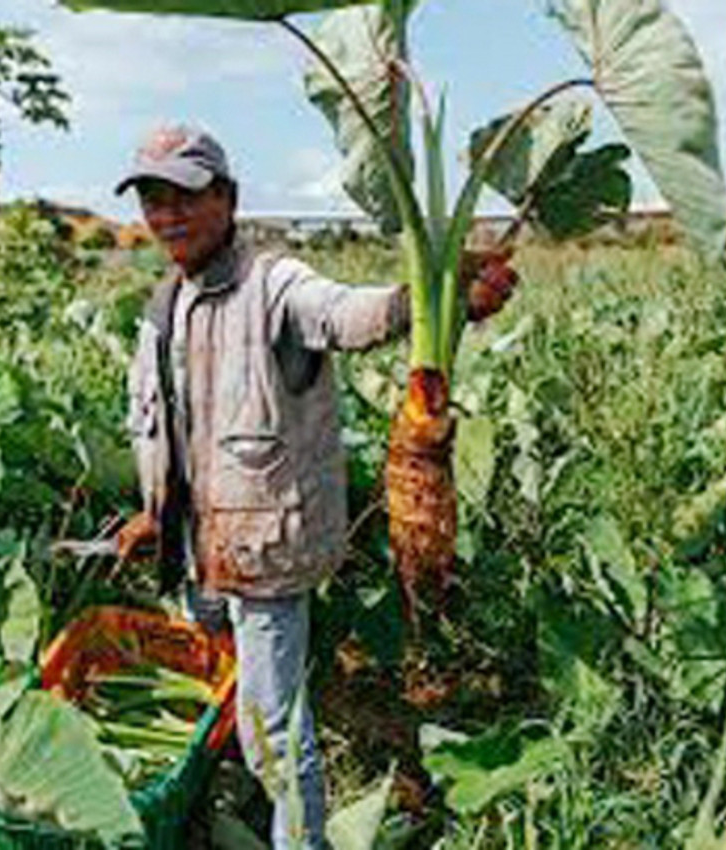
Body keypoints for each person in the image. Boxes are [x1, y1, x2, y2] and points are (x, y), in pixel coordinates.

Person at [114, 123, 516, 849]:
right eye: (152, 198)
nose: (167, 213)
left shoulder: (275, 284)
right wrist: (151, 517)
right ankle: (231, 795)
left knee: (273, 726)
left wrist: (440, 294)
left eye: (184, 195)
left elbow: (348, 314)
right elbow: (166, 431)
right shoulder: (161, 308)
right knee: (235, 689)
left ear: (227, 198)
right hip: (195, 551)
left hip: (265, 554)